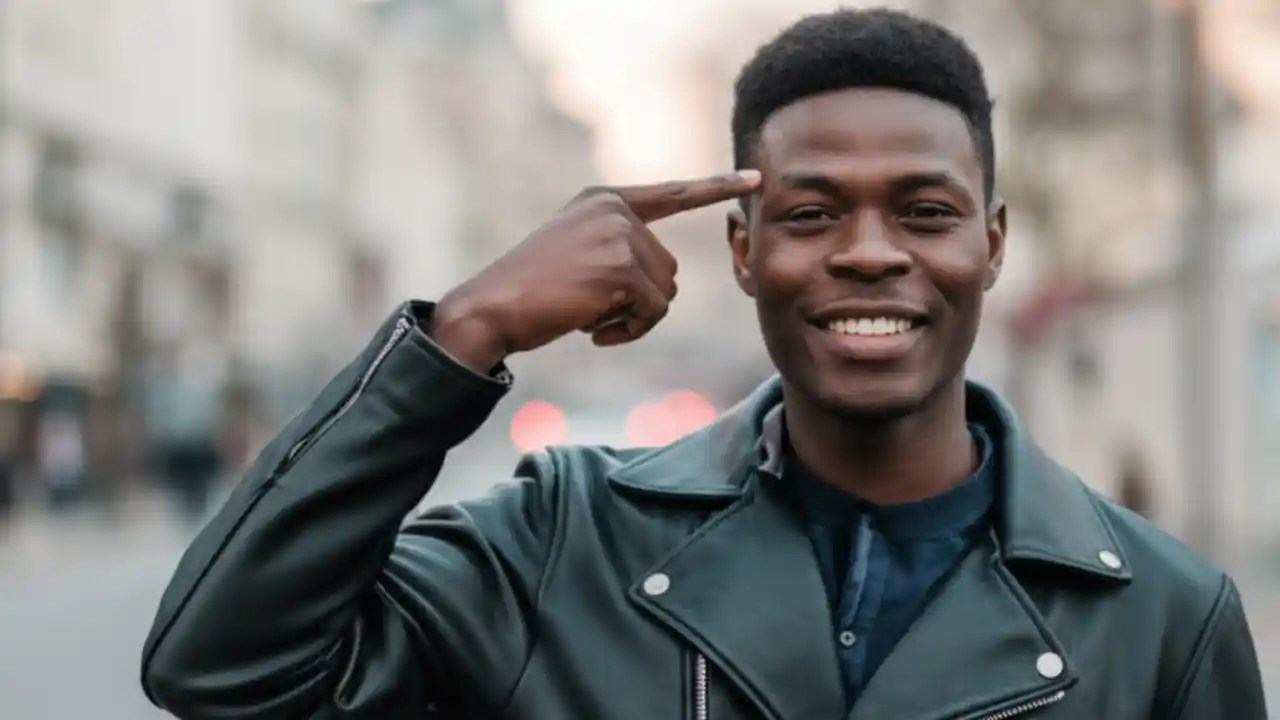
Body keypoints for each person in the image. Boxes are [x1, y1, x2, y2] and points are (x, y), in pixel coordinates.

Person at [140, 9, 1267, 719]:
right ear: (742, 250)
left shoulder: (1164, 616)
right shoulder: (558, 540)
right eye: (812, 211)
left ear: (990, 244)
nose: (869, 253)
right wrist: (463, 329)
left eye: (924, 211)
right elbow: (224, 669)